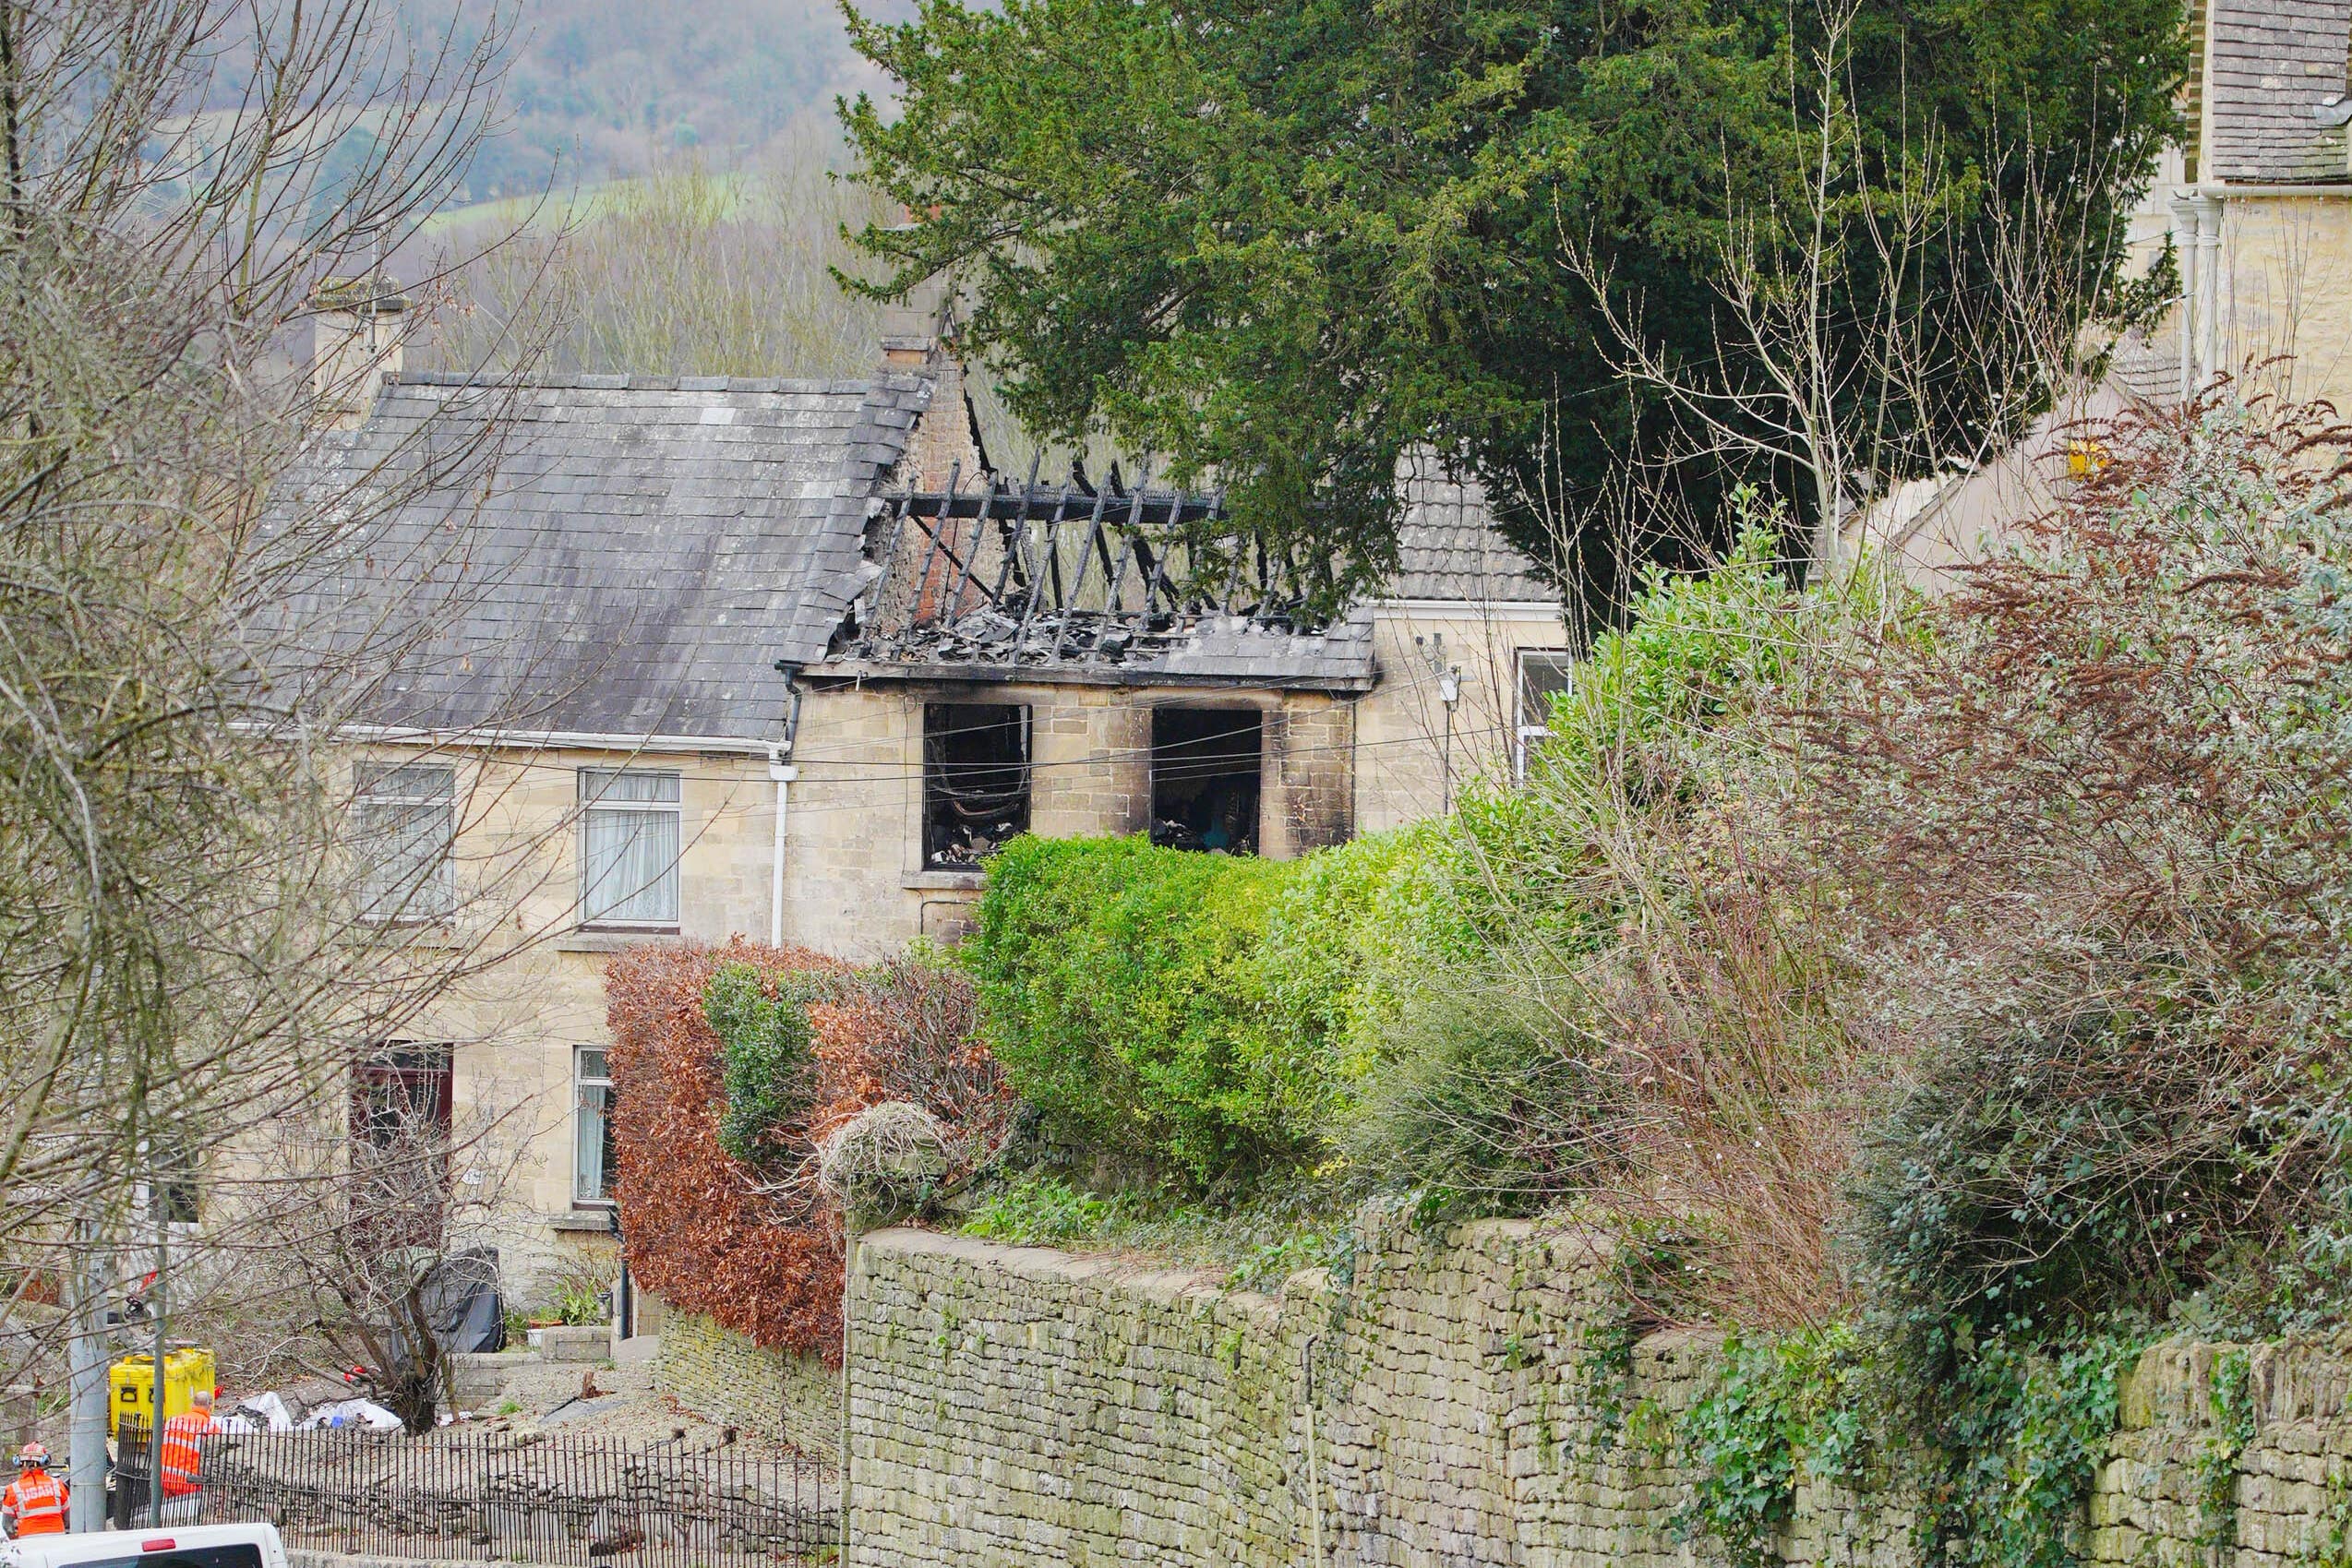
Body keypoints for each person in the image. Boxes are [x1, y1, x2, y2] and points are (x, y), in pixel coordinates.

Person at [157, 1389, 221, 1518]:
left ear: (192, 1404)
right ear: (210, 1406)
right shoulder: (210, 1428)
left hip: (165, 1478)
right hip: (189, 1483)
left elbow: (154, 1444)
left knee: (169, 1515)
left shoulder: (172, 1421)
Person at [1, 1442, 67, 1538]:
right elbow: (69, 1518)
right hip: (58, 1539)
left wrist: (15, 1538)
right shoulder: (57, 1484)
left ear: (19, 1462)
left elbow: (7, 1525)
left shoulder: (12, 1489)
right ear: (45, 1461)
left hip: (27, 1541)